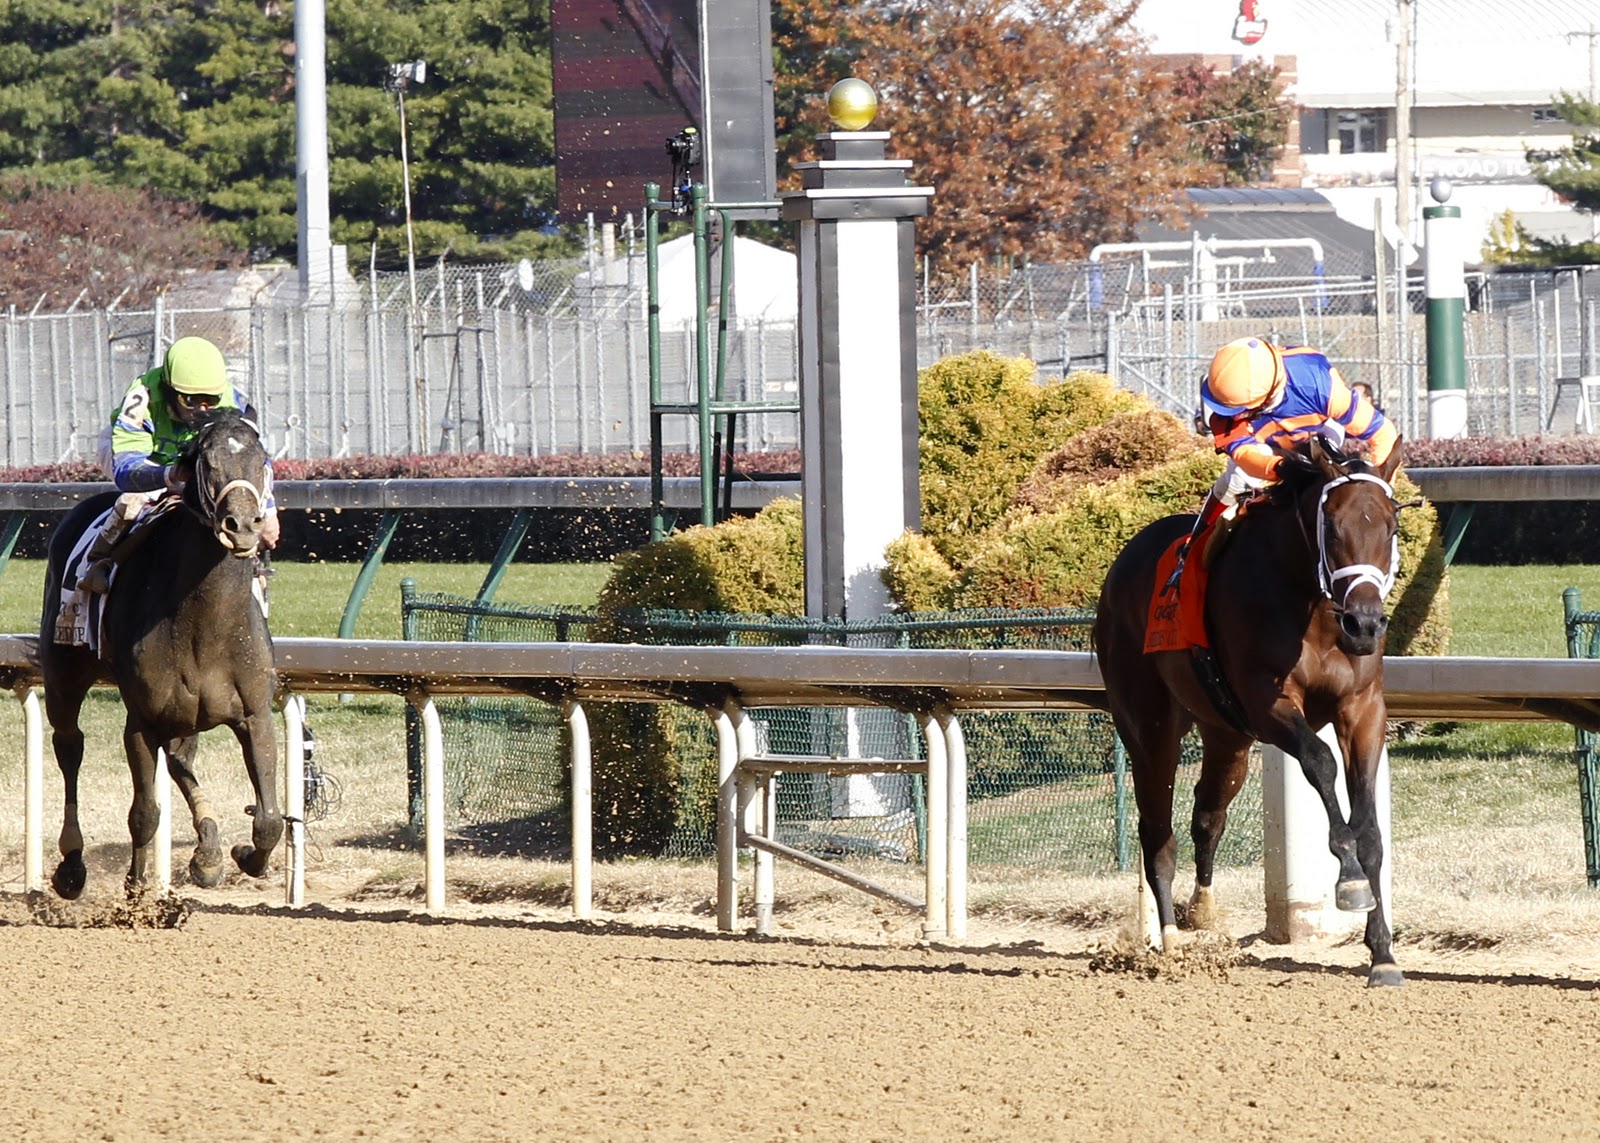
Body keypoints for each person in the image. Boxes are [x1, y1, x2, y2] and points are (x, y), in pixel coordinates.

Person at [1166, 335, 1396, 589]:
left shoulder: (1319, 384)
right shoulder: (1227, 401)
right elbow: (1244, 455)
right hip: (1266, 449)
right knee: (1235, 480)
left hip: (1318, 435)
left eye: (1240, 410)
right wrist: (1278, 468)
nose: (1228, 415)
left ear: (1269, 393)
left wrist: (1379, 494)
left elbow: (1384, 432)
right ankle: (1189, 557)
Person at [84, 336, 279, 585]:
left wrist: (269, 512)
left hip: (193, 453)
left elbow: (253, 459)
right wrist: (169, 475)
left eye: (210, 401)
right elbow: (125, 471)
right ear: (169, 390)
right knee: (134, 500)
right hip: (138, 452)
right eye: (190, 400)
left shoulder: (232, 400)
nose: (202, 409)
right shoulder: (143, 398)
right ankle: (97, 562)